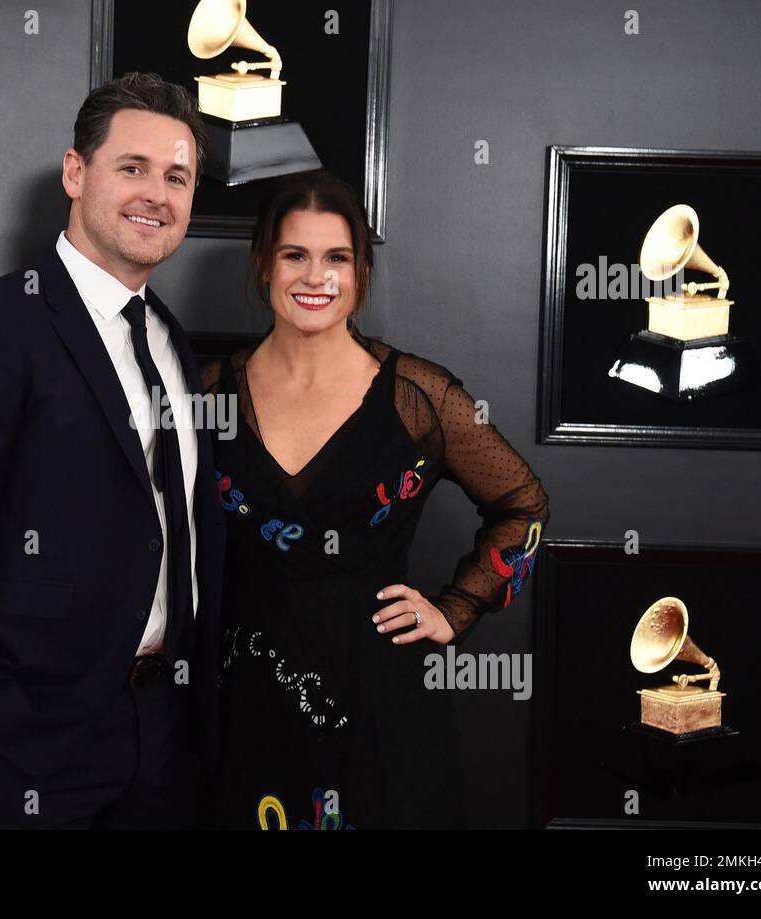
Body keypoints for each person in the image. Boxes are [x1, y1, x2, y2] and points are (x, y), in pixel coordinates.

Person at [0, 72, 225, 829]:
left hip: (161, 738)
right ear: (76, 173)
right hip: (22, 749)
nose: (157, 194)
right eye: (133, 167)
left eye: (177, 177)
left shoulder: (173, 341)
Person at [200, 171, 551, 829]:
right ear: (263, 267)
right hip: (248, 702)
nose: (316, 276)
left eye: (337, 257)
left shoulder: (418, 397)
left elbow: (524, 502)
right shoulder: (207, 392)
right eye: (294, 254)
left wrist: (458, 608)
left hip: (383, 704)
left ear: (360, 271)